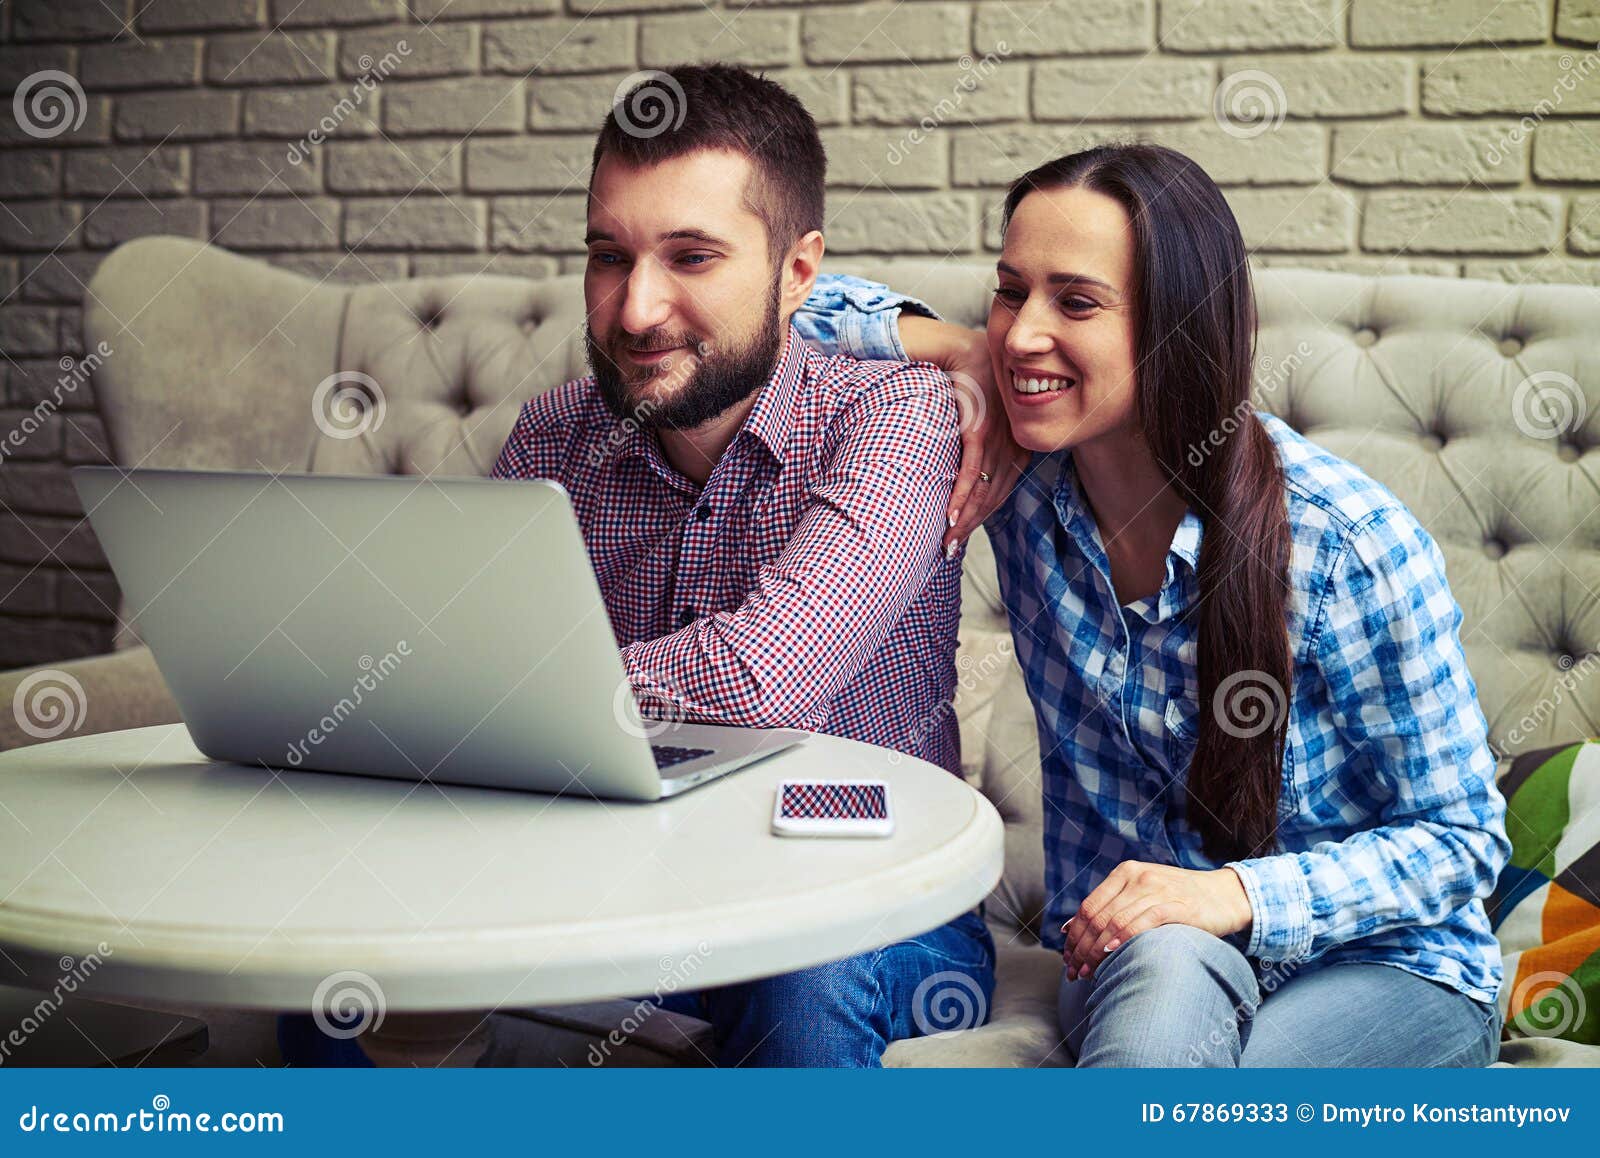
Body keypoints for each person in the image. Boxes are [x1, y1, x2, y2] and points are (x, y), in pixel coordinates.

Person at [812, 143, 1509, 1067]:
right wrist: (962, 347)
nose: (1024, 334)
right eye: (1011, 292)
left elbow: (1461, 841)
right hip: (1137, 956)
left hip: (1384, 970)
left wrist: (1232, 894)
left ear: (1179, 326)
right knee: (1167, 972)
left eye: (1076, 303)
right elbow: (773, 298)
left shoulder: (1347, 544)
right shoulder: (1022, 485)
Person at [485, 64, 995, 1068]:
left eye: (692, 257)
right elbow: (458, 691)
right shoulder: (551, 438)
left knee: (802, 963)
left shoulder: (896, 416)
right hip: (618, 887)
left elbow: (767, 678)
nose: (636, 310)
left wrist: (508, 692)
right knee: (345, 970)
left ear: (798, 274)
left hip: (877, 897)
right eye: (608, 256)